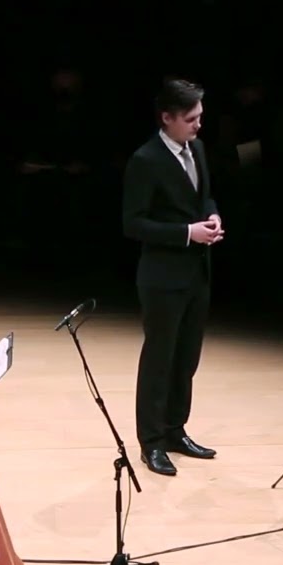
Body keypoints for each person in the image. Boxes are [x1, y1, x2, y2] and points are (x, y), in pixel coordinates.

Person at [121, 77, 225, 477]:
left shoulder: (196, 148)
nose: (199, 124)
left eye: (200, 116)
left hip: (197, 272)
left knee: (186, 359)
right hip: (162, 277)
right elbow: (133, 223)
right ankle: (151, 443)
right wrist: (187, 233)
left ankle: (175, 430)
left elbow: (205, 197)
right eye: (191, 118)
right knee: (159, 361)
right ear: (167, 118)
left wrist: (212, 216)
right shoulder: (145, 160)